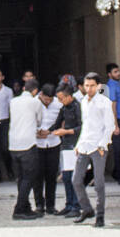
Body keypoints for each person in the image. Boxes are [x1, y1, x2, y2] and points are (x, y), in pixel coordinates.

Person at [72, 73, 116, 227]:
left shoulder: (104, 102)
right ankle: (86, 209)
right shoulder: (83, 101)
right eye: (86, 85)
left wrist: (103, 145)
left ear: (98, 86)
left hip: (98, 147)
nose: (89, 88)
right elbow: (85, 125)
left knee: (98, 183)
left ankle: (100, 215)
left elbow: (109, 126)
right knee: (76, 180)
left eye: (92, 86)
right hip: (84, 145)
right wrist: (78, 144)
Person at [7, 77, 43, 221]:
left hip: (13, 144)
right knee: (29, 177)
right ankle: (19, 209)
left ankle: (26, 207)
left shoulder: (13, 101)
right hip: (28, 144)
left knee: (21, 178)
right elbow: (39, 120)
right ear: (35, 91)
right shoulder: (35, 102)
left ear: (23, 88)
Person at [48, 83, 82, 214]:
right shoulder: (64, 108)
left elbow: (81, 127)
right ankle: (69, 204)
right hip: (65, 145)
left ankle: (76, 205)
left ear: (69, 96)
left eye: (62, 98)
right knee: (66, 176)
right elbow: (56, 124)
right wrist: (46, 131)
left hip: (75, 144)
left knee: (74, 176)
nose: (60, 101)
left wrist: (66, 132)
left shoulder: (77, 107)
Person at [35, 84, 62, 214]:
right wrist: (36, 132)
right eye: (46, 99)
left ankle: (51, 205)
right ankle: (39, 204)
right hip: (37, 144)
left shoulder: (58, 104)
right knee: (38, 175)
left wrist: (51, 132)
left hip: (53, 143)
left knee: (51, 176)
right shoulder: (34, 103)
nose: (48, 102)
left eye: (50, 100)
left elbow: (62, 121)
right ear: (41, 94)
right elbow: (28, 120)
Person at [105, 63, 120, 184]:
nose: (118, 73)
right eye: (115, 72)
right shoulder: (110, 86)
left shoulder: (118, 84)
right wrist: (115, 125)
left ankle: (116, 171)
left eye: (118, 71)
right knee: (118, 149)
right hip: (117, 121)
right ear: (109, 74)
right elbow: (112, 105)